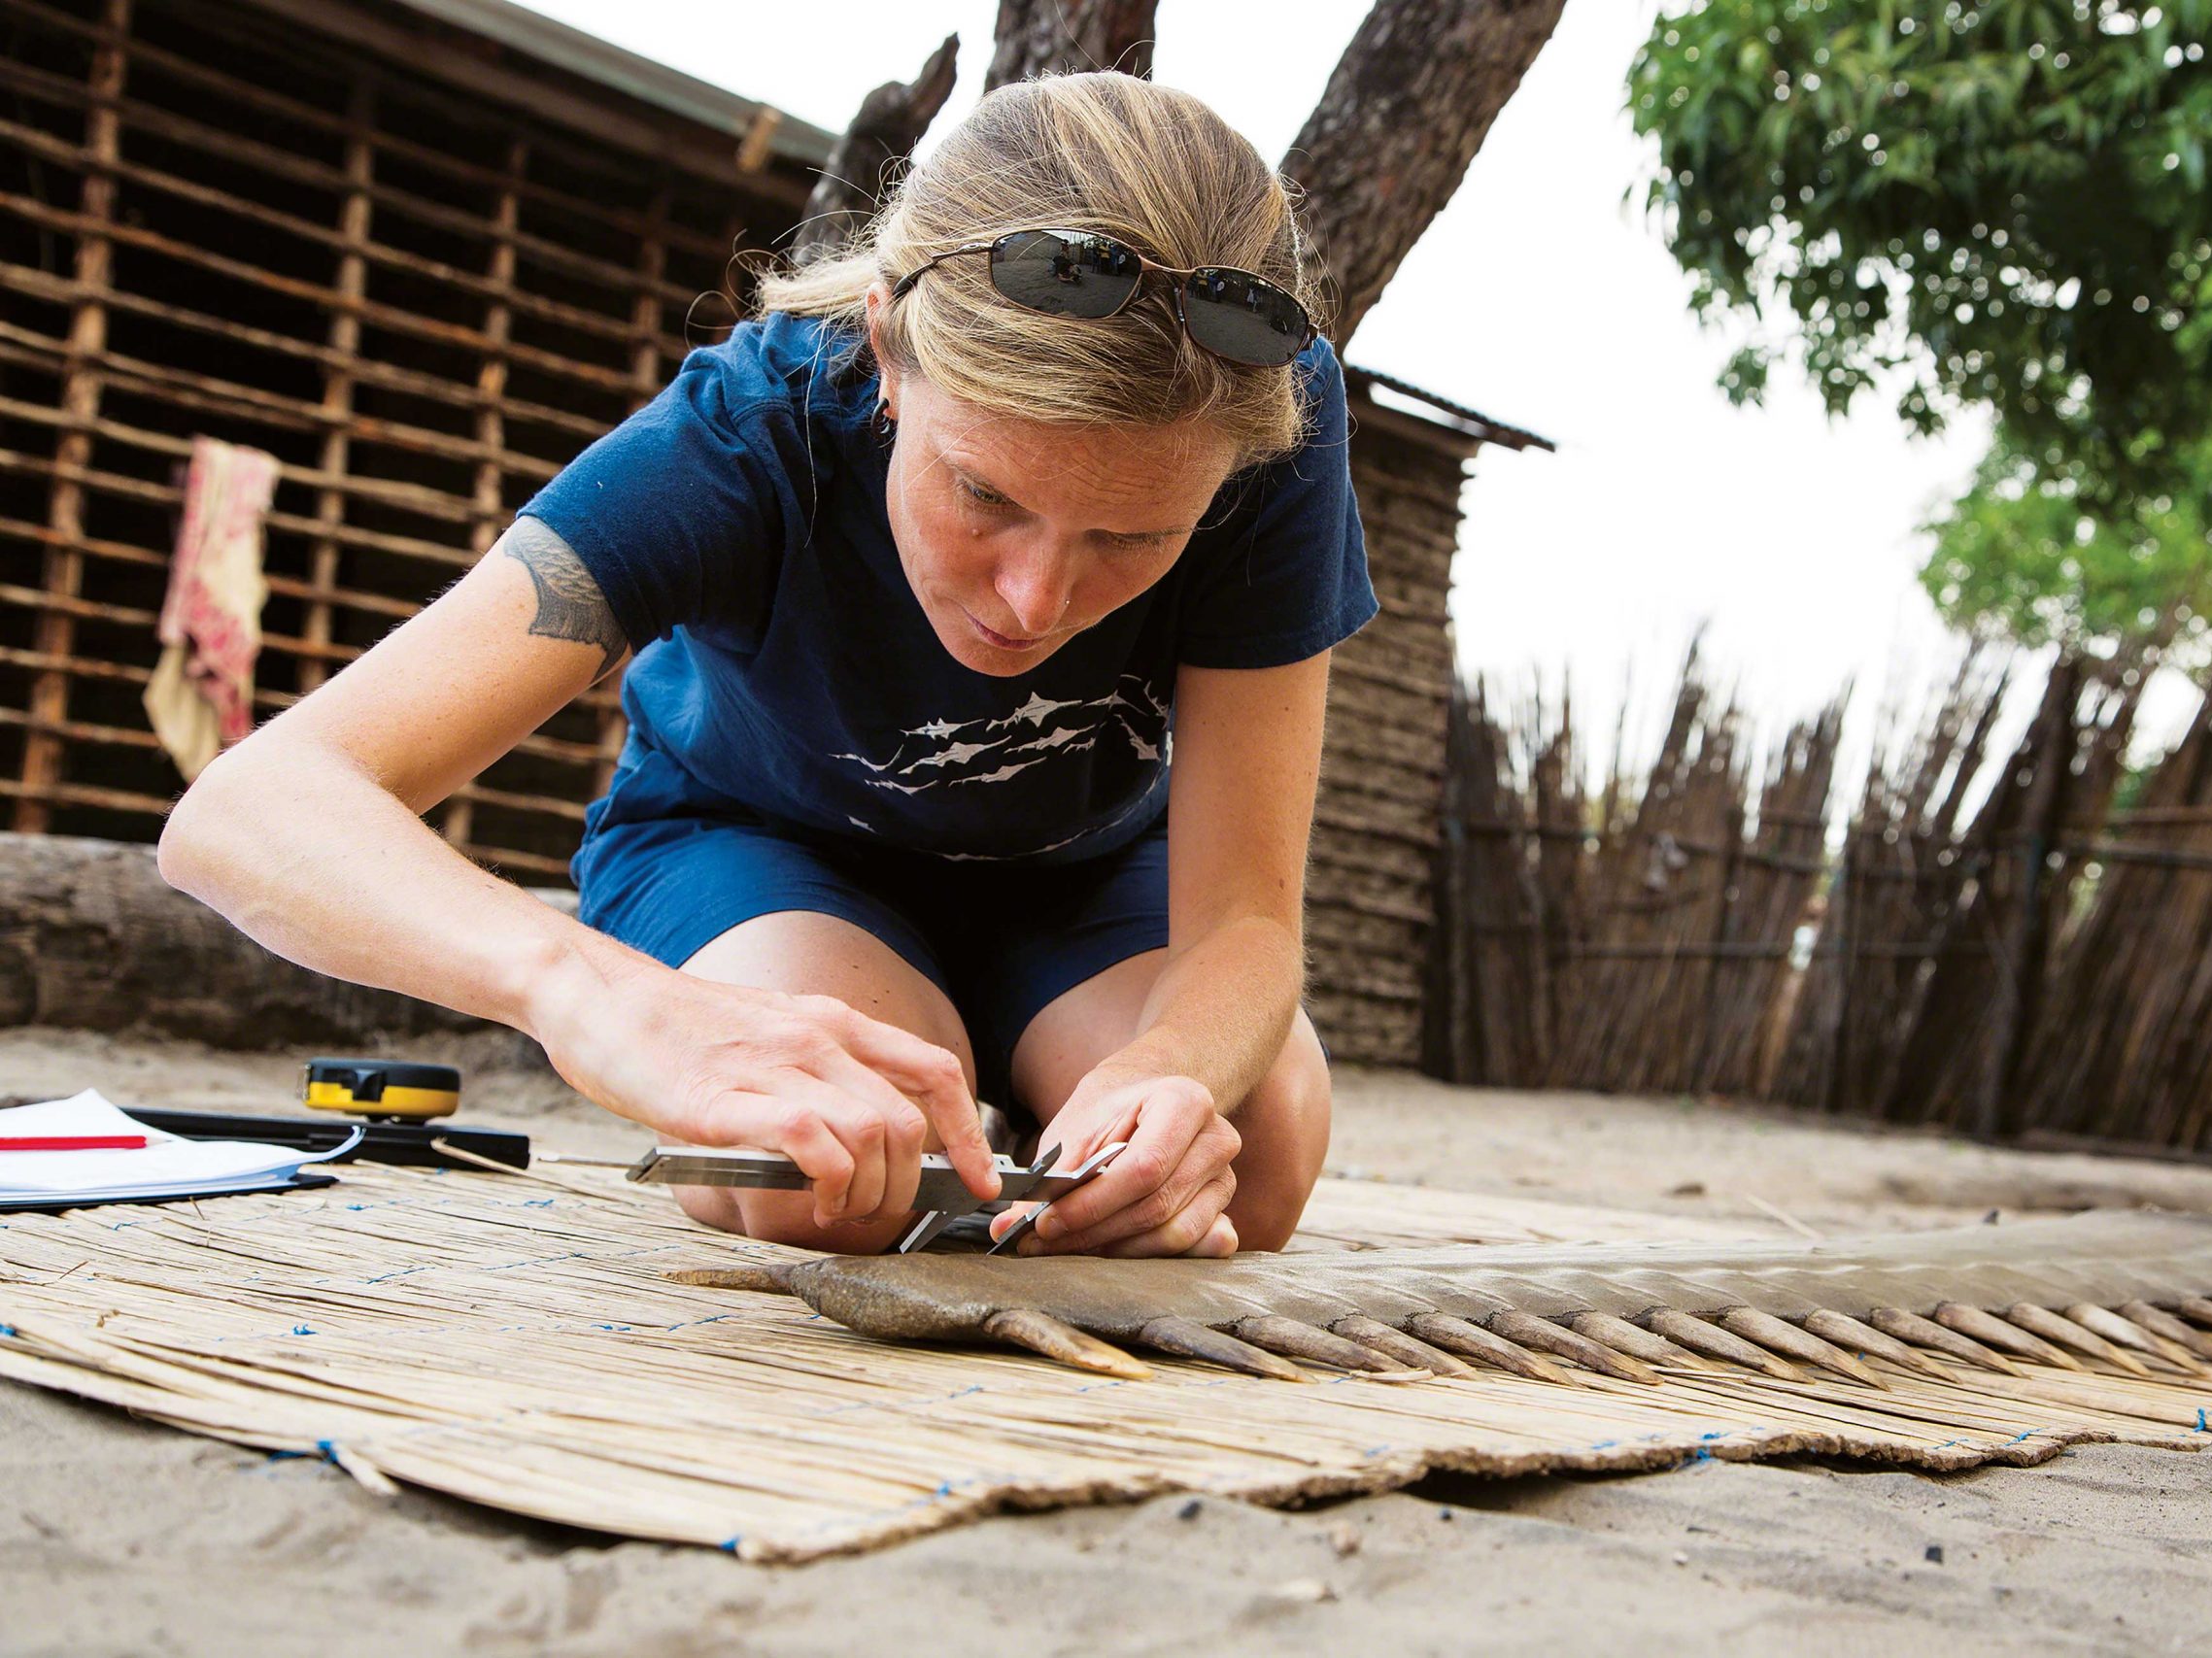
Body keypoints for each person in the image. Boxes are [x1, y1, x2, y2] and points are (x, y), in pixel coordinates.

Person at [157, 72, 1373, 1262]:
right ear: (888, 348)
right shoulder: (743, 437)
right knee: (824, 1172)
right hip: (760, 848)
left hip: (1083, 872)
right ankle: (947, 1080)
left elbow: (1246, 918)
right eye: (984, 492)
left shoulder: (1268, 423)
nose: (1036, 599)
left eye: (1132, 536)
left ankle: (1044, 1089)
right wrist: (601, 997)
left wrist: (1165, 1075)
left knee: (1247, 1160)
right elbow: (246, 813)